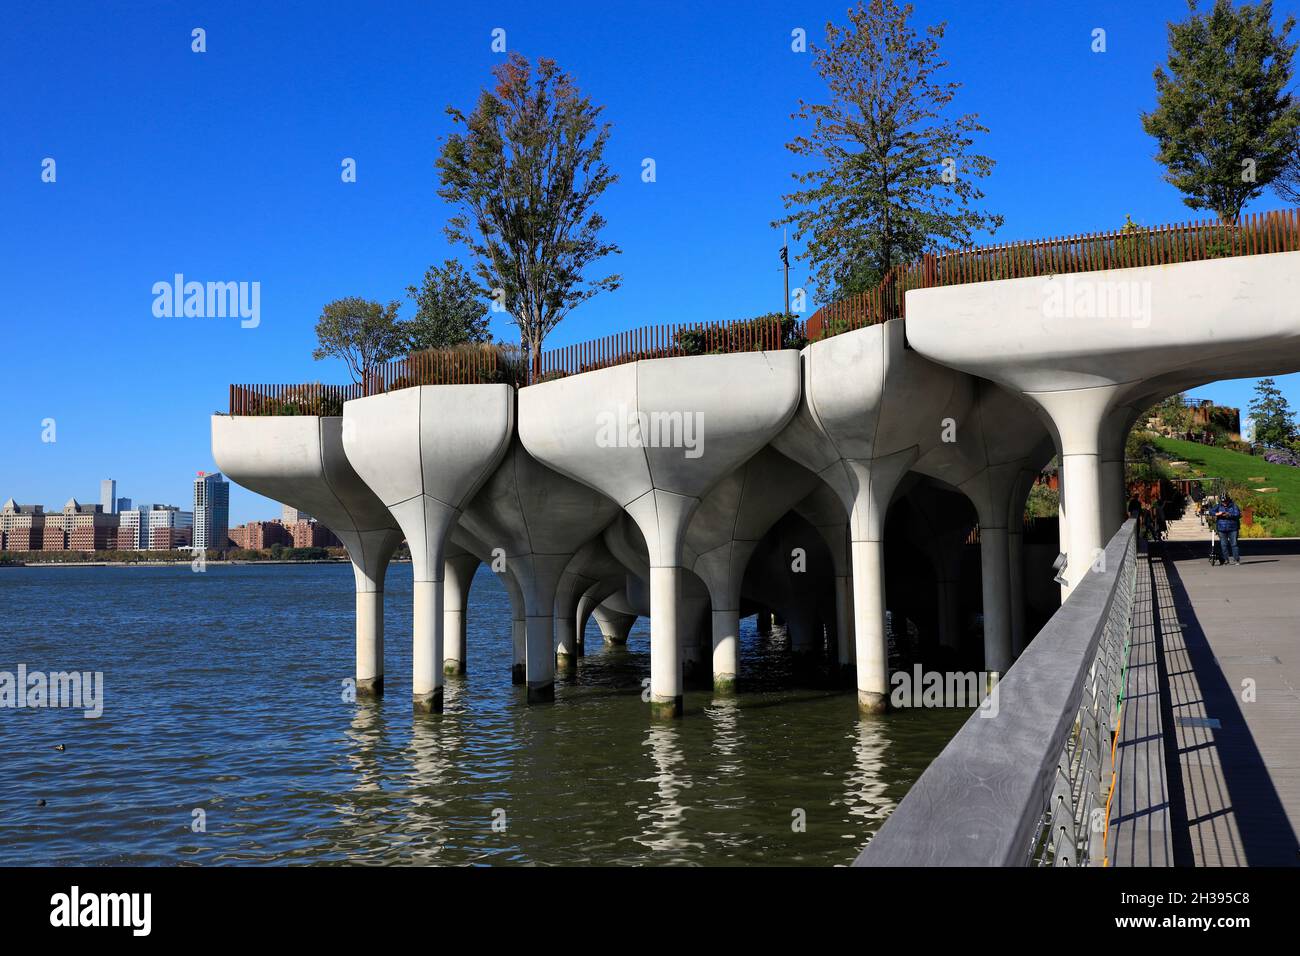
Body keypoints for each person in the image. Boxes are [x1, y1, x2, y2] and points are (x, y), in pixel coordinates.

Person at [1213, 494, 1242, 565]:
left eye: (1225, 501)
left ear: (1228, 500)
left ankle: (1236, 559)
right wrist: (1217, 513)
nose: (1224, 503)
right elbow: (1211, 511)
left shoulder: (1234, 506)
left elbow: (1237, 514)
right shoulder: (1218, 506)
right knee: (1223, 545)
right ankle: (1226, 559)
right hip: (1221, 528)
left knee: (1234, 544)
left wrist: (1229, 514)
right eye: (1223, 502)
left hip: (1233, 528)